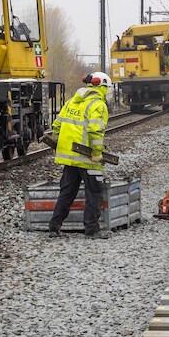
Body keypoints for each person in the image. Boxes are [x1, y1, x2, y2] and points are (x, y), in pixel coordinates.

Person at [48, 72, 111, 236]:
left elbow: (56, 126)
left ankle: (54, 227)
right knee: (94, 193)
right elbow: (95, 131)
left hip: (69, 158)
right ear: (102, 87)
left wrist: (57, 145)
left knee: (67, 192)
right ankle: (91, 229)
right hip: (87, 158)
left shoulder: (71, 102)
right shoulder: (98, 105)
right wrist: (97, 152)